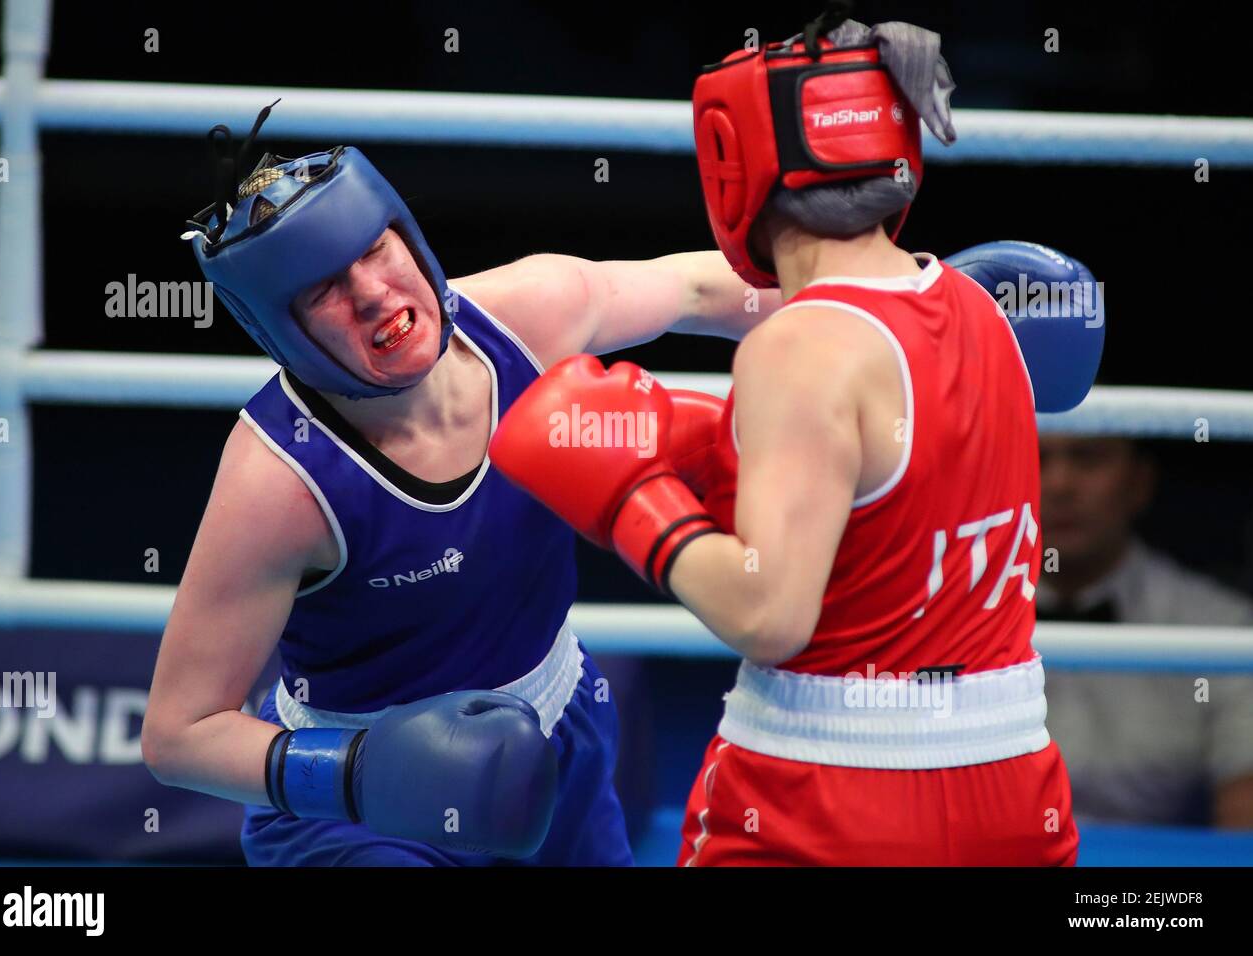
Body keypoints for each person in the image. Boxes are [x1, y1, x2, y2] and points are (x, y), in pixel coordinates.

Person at [491, 11, 1102, 865]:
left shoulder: (798, 344)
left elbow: (768, 613)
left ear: (731, 160)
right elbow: (893, 490)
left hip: (826, 788)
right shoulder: (982, 309)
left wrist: (628, 492)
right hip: (1013, 781)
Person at [141, 114, 797, 865]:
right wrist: (354, 776)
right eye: (324, 288)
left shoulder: (530, 317)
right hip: (362, 816)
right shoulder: (278, 479)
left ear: (406, 233)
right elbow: (177, 732)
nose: (371, 294)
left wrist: (893, 307)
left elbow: (703, 288)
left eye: (374, 250)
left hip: (563, 736)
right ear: (282, 333)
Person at [1038, 436, 1253, 828]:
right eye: (1035, 460)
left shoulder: (1224, 630)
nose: (1059, 485)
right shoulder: (943, 617)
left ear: (1139, 483)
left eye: (1088, 457)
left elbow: (1244, 822)